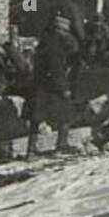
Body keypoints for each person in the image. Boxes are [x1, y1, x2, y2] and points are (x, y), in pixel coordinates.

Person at [28, 12, 78, 155]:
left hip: (41, 84)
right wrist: (64, 88)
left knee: (37, 116)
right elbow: (57, 68)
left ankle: (31, 148)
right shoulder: (56, 46)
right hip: (53, 85)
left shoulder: (44, 41)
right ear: (60, 30)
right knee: (66, 112)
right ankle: (62, 144)